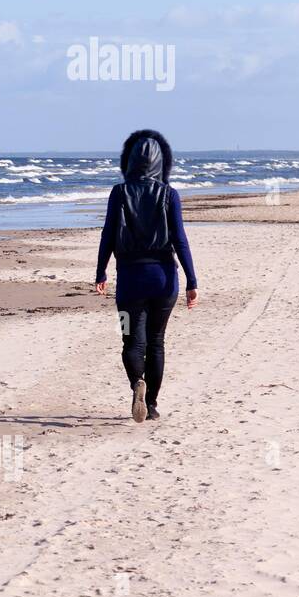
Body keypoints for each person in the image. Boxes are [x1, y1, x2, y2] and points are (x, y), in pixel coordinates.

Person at [94, 130, 198, 422]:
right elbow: (180, 239)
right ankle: (150, 405)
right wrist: (192, 280)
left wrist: (101, 270)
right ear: (163, 164)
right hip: (164, 279)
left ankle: (136, 383)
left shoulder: (119, 193)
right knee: (157, 340)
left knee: (131, 340)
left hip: (130, 280)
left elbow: (108, 235)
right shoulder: (170, 194)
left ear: (128, 162)